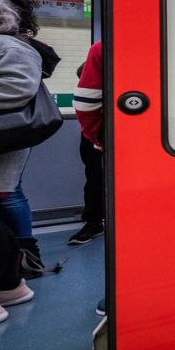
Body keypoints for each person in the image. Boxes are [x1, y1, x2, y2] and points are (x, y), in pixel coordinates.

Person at [0, 0, 54, 276]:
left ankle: (26, 257)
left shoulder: (13, 48)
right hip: (6, 132)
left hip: (7, 133)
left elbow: (16, 89)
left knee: (8, 194)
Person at [0, 0, 42, 320]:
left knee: (8, 203)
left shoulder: (13, 48)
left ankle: (18, 270)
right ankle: (11, 282)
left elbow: (16, 90)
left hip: (3, 146)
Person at [70, 42, 104, 246]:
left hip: (100, 128)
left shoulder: (102, 47)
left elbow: (85, 103)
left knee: (96, 177)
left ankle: (93, 222)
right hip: (105, 130)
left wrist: (93, 137)